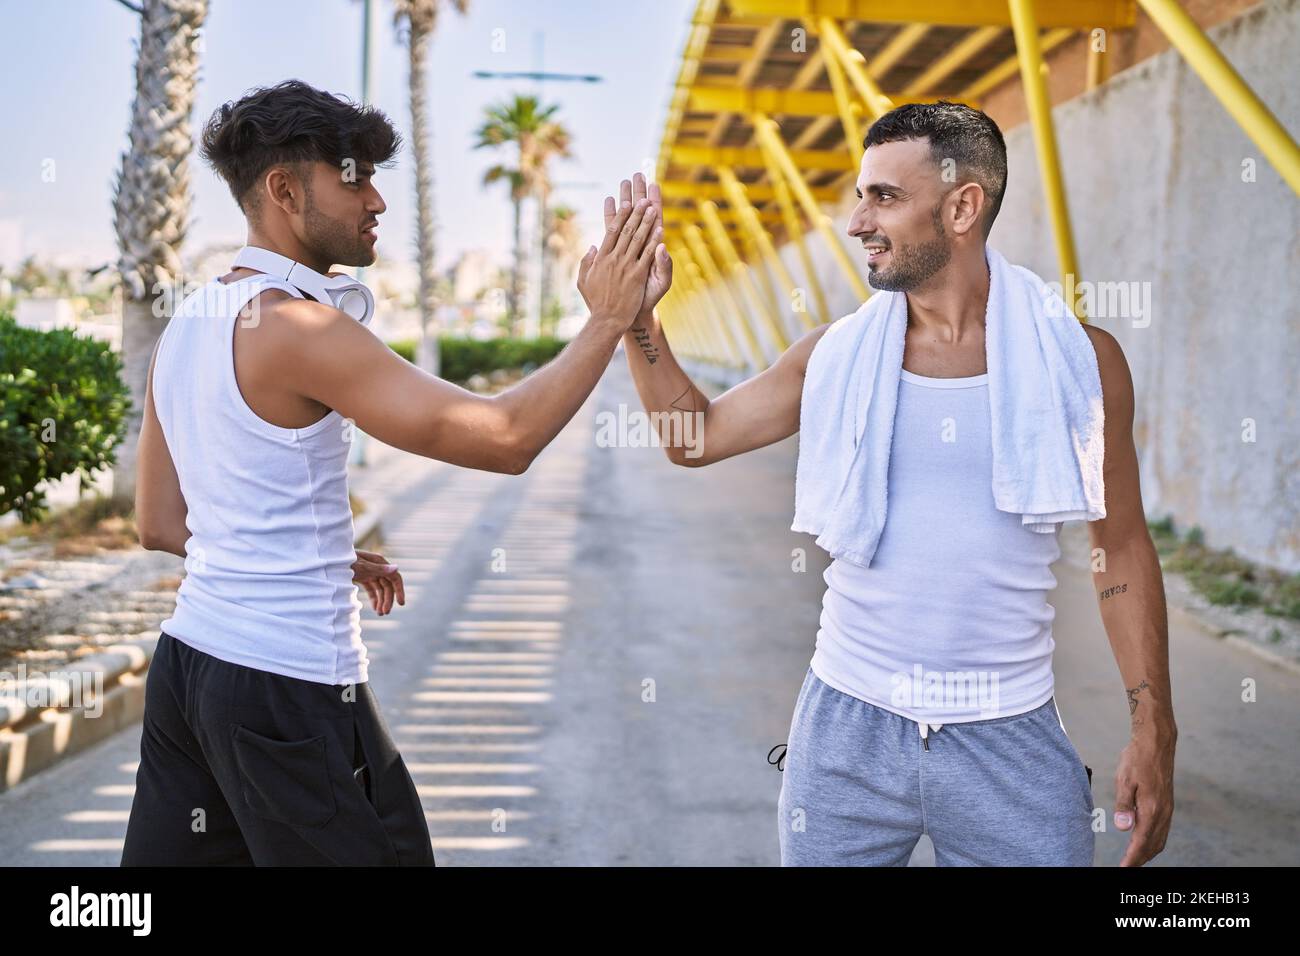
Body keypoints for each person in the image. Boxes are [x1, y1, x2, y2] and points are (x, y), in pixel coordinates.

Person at [123, 79, 671, 865]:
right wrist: (610, 318)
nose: (377, 199)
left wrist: (314, 554)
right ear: (284, 189)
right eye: (354, 177)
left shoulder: (192, 319)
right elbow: (506, 438)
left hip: (189, 671)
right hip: (288, 685)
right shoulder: (299, 327)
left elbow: (160, 522)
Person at [621, 101, 1177, 867]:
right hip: (844, 735)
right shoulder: (834, 356)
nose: (857, 221)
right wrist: (635, 319)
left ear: (962, 205)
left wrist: (1155, 732)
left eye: (883, 196)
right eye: (860, 194)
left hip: (1010, 739)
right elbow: (696, 437)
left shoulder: (1078, 360)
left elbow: (1118, 549)